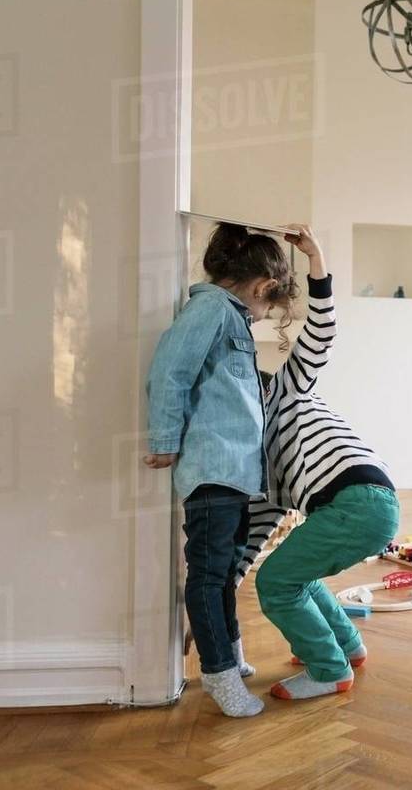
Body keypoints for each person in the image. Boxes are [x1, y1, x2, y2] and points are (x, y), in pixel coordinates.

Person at [144, 223, 296, 717]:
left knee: (226, 570)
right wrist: (165, 441)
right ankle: (217, 673)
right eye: (268, 306)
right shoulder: (210, 309)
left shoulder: (232, 320)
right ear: (261, 287)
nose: (263, 315)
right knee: (209, 574)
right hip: (212, 468)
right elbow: (171, 369)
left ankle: (229, 653)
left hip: (234, 471)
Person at [252, 224, 399, 701]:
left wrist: (315, 259)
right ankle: (346, 644)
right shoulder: (255, 439)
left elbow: (321, 330)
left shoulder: (287, 385)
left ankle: (328, 669)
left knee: (276, 580)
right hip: (368, 503)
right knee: (292, 569)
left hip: (355, 500)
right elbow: (264, 520)